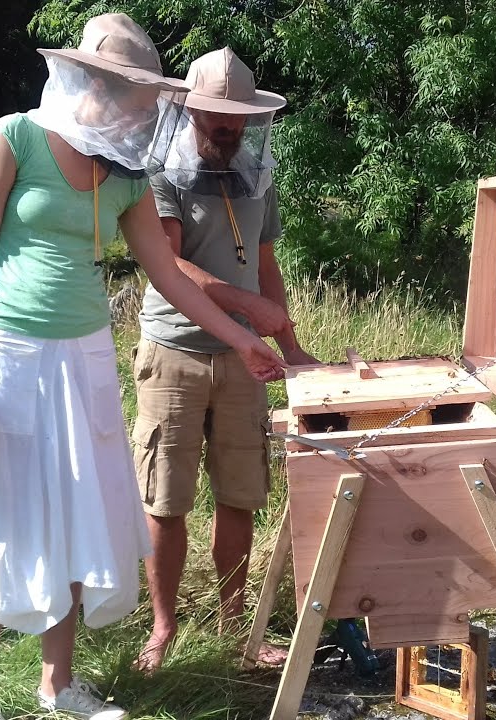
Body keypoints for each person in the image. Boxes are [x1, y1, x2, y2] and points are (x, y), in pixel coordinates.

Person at [0, 15, 286, 720]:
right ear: (92, 84)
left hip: (84, 353)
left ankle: (57, 685)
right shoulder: (14, 137)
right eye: (135, 96)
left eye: (147, 99)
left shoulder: (126, 172)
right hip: (7, 350)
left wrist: (239, 340)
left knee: (76, 509)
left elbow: (169, 277)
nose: (142, 112)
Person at [130, 47, 318, 672]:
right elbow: (167, 265)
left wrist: (289, 343)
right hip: (173, 355)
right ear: (191, 110)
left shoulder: (257, 175)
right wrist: (244, 307)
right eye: (217, 116)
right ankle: (163, 629)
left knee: (240, 493)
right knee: (166, 499)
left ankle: (238, 629)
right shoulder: (160, 172)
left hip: (247, 362)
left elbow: (265, 264)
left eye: (238, 118)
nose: (229, 128)